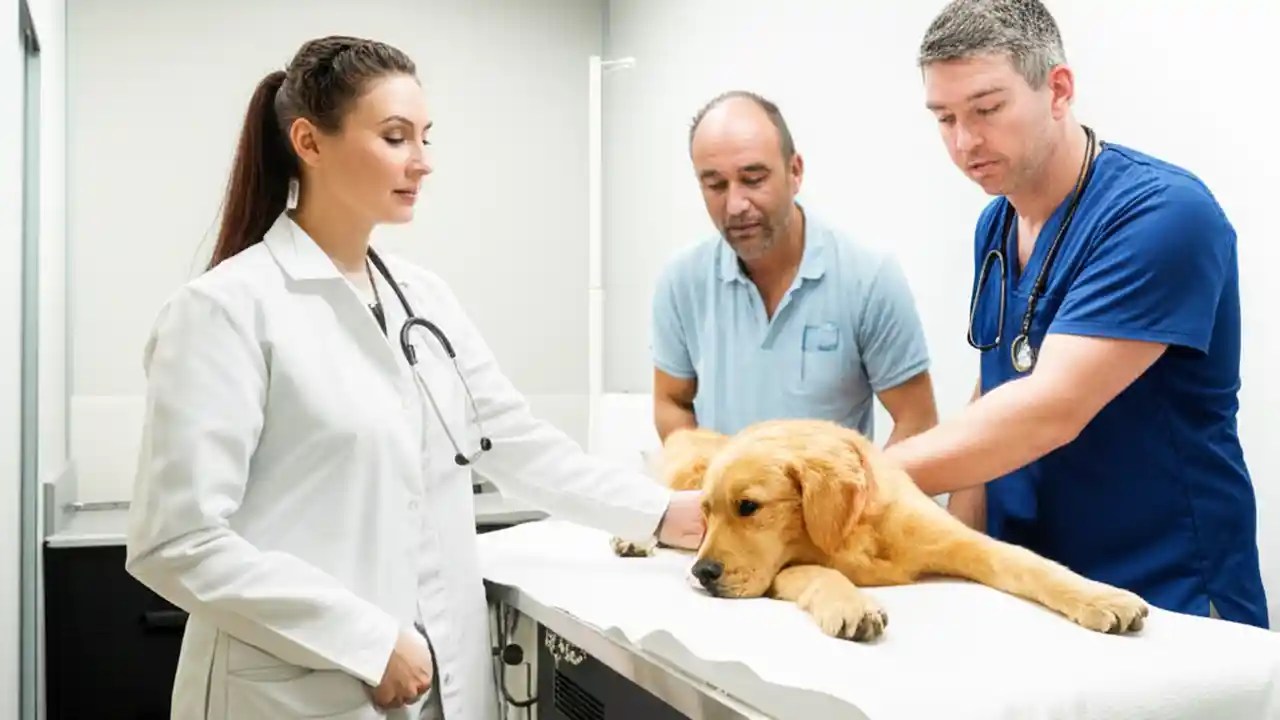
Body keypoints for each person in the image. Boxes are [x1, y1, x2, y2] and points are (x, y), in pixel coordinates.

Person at [123, 35, 704, 720]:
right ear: (309, 142)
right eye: (396, 137)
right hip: (298, 690)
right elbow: (175, 543)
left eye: (425, 137)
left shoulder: (421, 300)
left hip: (439, 685)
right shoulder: (226, 310)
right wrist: (367, 640)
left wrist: (664, 513)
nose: (422, 163)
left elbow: (514, 443)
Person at [884, 0, 1269, 629]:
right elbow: (997, 391)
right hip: (1038, 588)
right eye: (945, 117)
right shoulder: (997, 223)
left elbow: (1048, 411)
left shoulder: (1163, 215)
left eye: (986, 109)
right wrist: (954, 561)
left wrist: (852, 476)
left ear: (1057, 90)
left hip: (1166, 591)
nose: (964, 141)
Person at [651, 90, 938, 446]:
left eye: (753, 179)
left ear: (795, 171)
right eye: (715, 185)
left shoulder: (868, 277)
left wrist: (861, 499)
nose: (736, 204)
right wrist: (707, 482)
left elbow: (917, 421)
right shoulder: (681, 282)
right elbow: (670, 401)